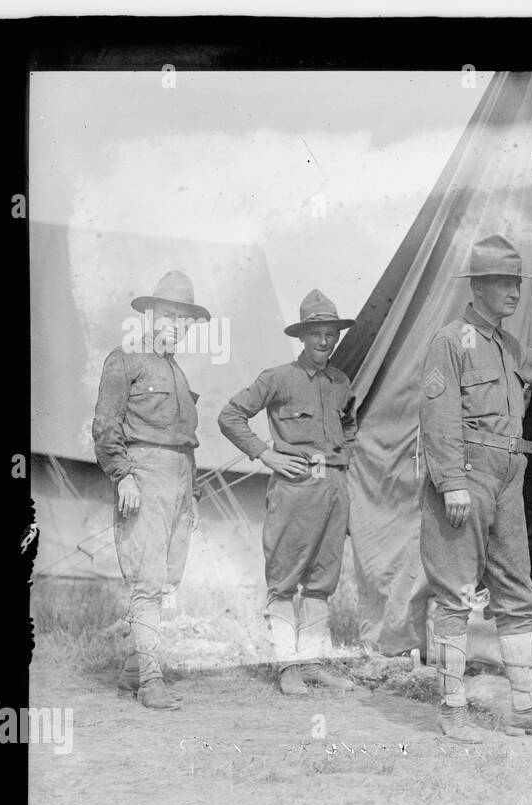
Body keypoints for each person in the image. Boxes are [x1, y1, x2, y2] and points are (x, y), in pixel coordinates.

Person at [420, 233, 532, 742]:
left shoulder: (508, 345)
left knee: (516, 590)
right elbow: (438, 418)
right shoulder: (450, 341)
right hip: (466, 473)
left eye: (517, 282)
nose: (514, 291)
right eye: (502, 282)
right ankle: (452, 711)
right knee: (455, 593)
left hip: (508, 475)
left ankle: (527, 708)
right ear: (477, 287)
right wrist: (450, 483)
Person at [218, 290, 358, 697]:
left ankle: (311, 662)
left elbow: (349, 424)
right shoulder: (277, 377)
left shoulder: (340, 381)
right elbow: (230, 415)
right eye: (316, 333)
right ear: (302, 336)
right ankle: (286, 665)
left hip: (334, 487)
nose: (325, 341)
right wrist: (266, 455)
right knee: (284, 578)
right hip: (295, 489)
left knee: (322, 580)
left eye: (331, 333)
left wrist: (342, 458)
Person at [92, 270, 208, 710]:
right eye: (171, 316)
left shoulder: (176, 371)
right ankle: (151, 682)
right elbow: (105, 426)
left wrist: (192, 494)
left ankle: (132, 668)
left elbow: (185, 440)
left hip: (179, 482)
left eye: (185, 321)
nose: (177, 326)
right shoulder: (125, 360)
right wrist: (123, 476)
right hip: (143, 477)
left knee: (168, 577)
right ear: (152, 314)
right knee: (148, 580)